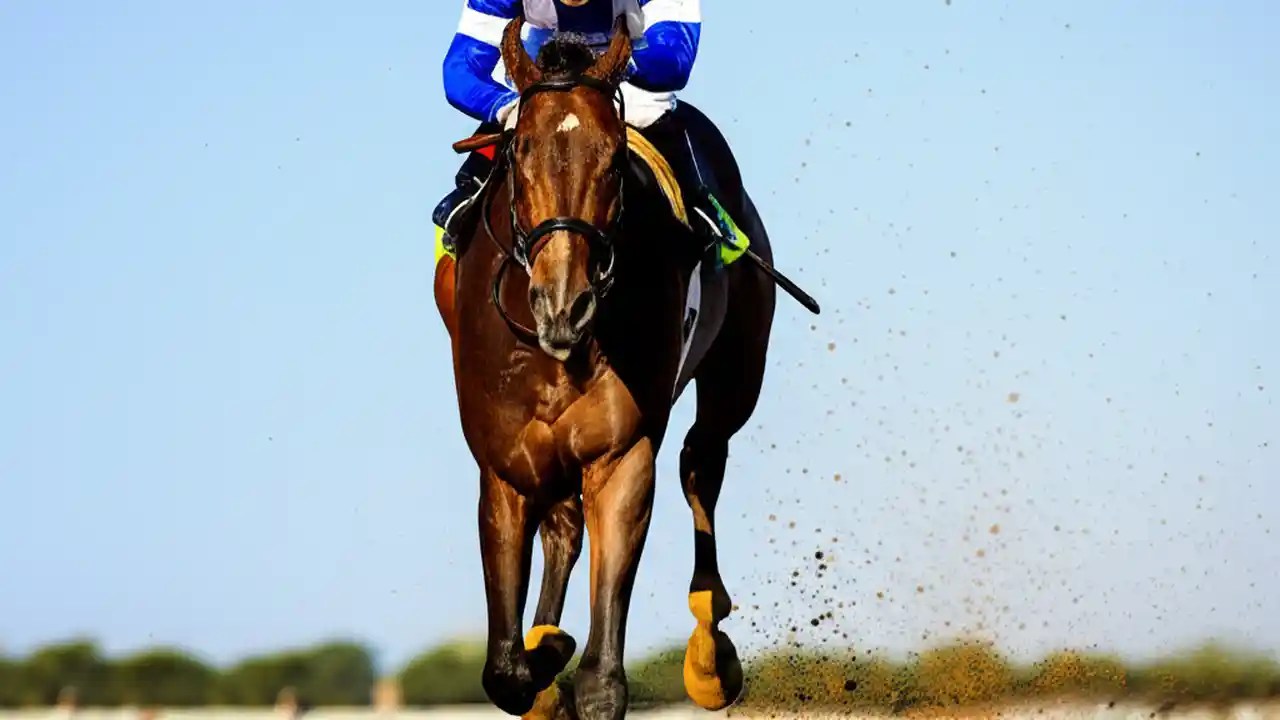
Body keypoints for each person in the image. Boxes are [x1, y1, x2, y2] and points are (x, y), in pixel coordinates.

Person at [432, 0, 750, 267]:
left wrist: (605, 71)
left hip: (626, 63)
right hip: (544, 68)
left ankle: (701, 208)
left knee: (649, 110)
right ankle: (466, 196)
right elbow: (459, 71)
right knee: (522, 119)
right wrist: (506, 108)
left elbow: (674, 60)